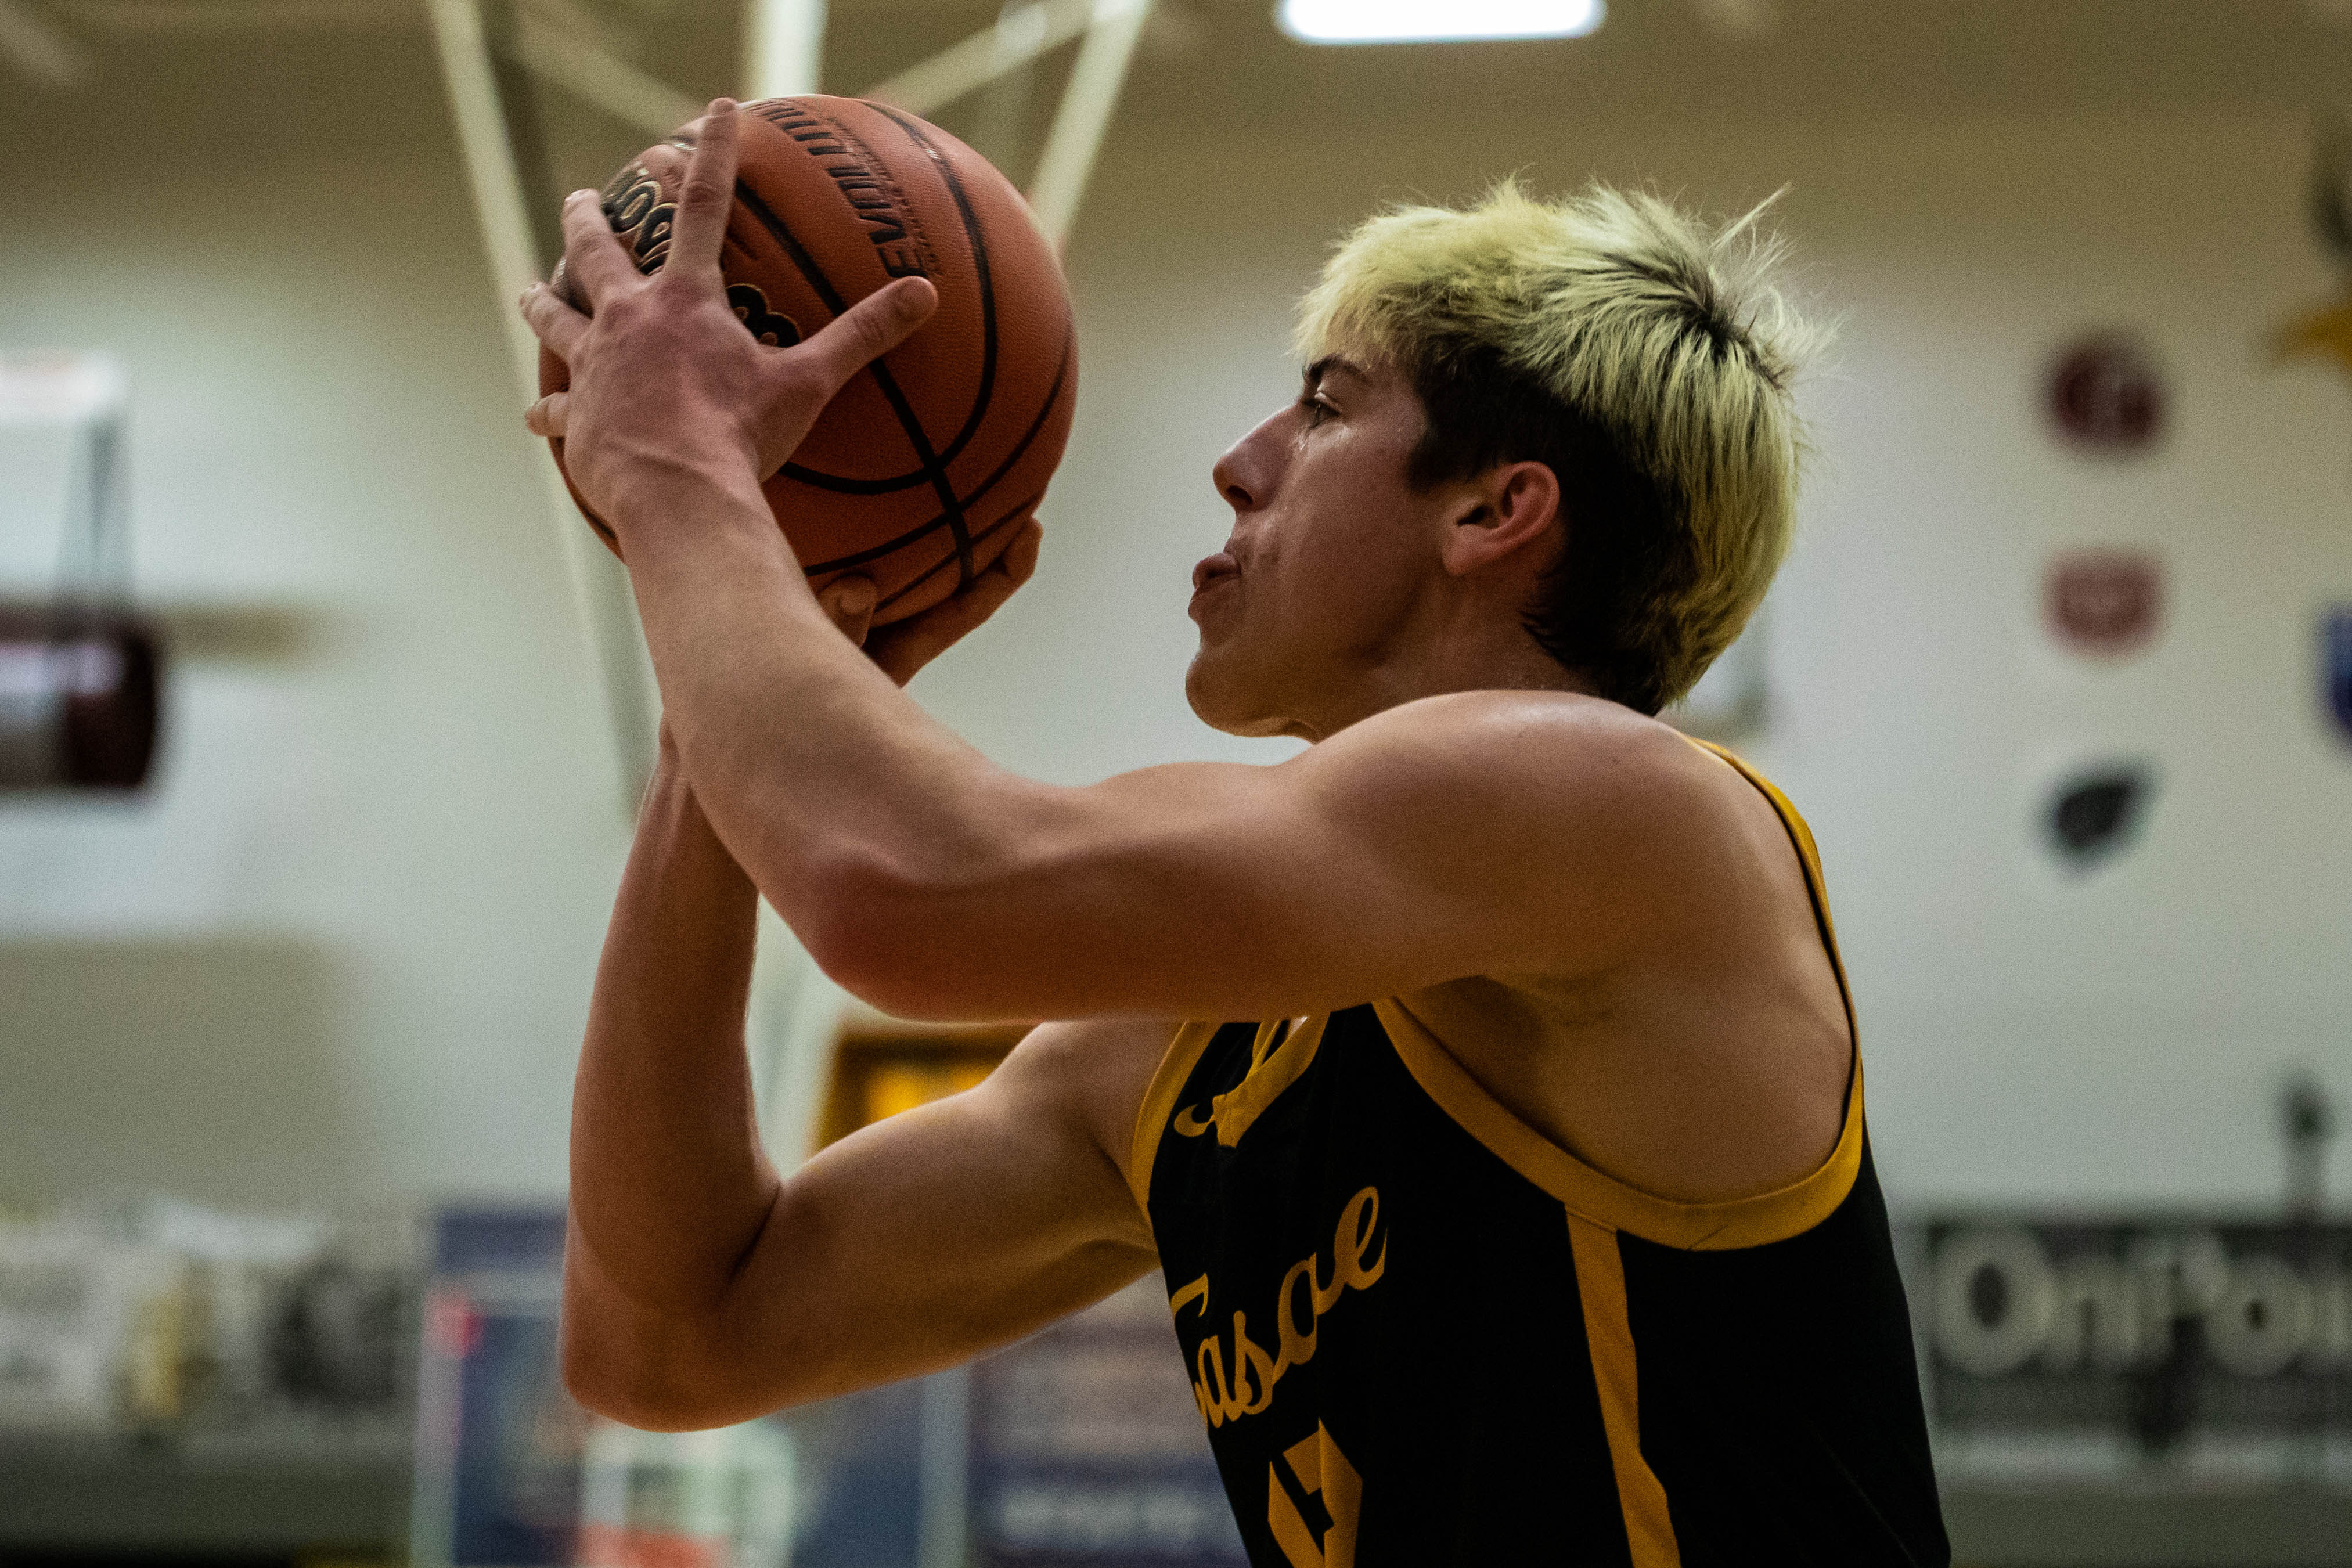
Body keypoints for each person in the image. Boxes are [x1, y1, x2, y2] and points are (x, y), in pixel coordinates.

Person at [520, 100, 1949, 1567]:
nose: (1239, 459)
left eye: (1325, 405)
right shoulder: (1175, 1057)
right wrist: (716, 735)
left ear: (1493, 511)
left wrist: (682, 469)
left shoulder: (1624, 814)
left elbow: (901, 892)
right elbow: (669, 1336)